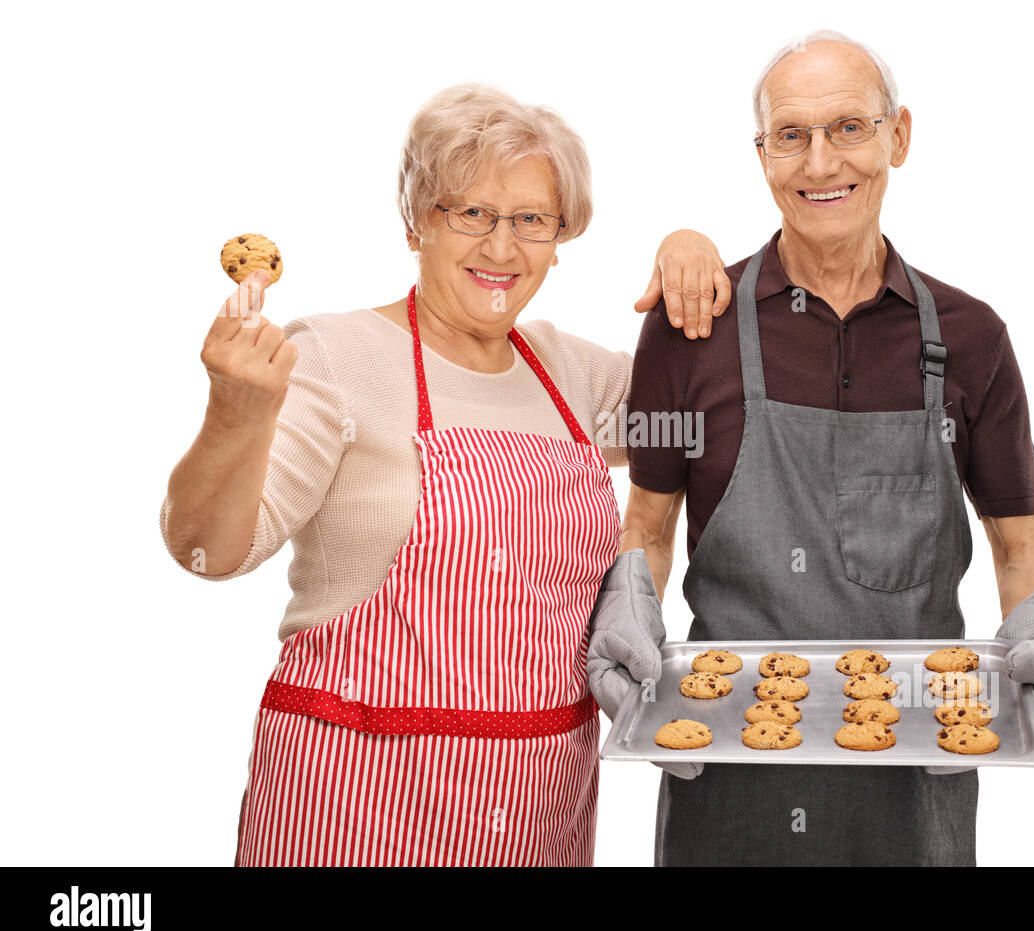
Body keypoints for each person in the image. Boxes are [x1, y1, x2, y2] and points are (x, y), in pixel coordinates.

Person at [160, 83, 727, 866]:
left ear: (560, 238)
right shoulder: (337, 356)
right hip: (352, 804)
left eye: (531, 220)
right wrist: (234, 412)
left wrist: (690, 251)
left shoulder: (575, 377)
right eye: (470, 213)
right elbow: (210, 552)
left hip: (537, 808)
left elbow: (704, 421)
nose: (502, 248)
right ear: (415, 222)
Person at [586, 31, 1034, 866]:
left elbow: (1021, 541)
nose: (820, 162)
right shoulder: (687, 334)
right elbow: (646, 522)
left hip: (920, 777)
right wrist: (627, 617)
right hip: (724, 772)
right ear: (762, 156)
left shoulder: (973, 338)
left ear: (898, 136)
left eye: (849, 128)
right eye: (791, 135)